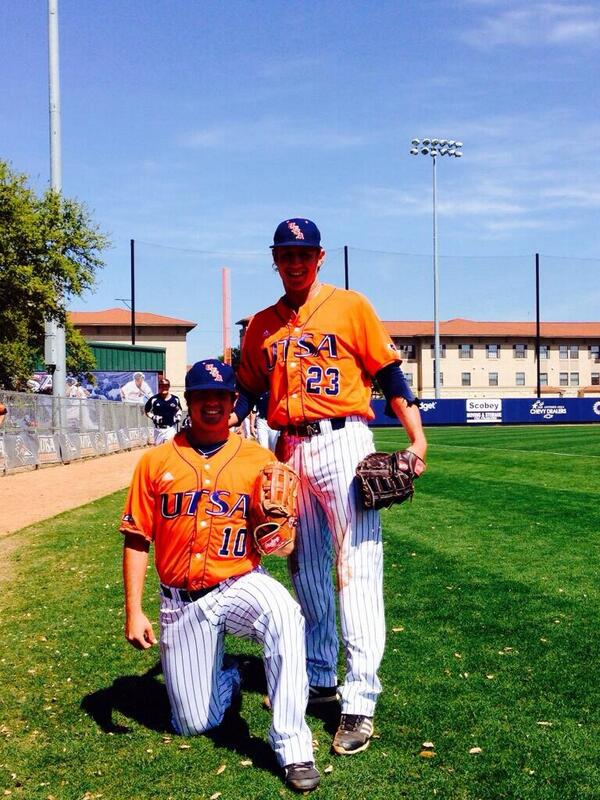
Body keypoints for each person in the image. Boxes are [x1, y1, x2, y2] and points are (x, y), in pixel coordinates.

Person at [231, 218, 428, 756]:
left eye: (303, 253)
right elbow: (247, 388)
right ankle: (320, 678)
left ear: (319, 258)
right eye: (284, 254)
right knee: (307, 567)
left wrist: (417, 440)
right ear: (275, 259)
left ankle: (360, 698)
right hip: (287, 447)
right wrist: (232, 426)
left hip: (344, 441)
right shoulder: (260, 326)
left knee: (356, 568)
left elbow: (389, 374)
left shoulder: (350, 306)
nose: (294, 262)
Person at [121, 359, 320, 792]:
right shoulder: (155, 462)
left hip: (238, 583)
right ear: (188, 403)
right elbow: (136, 537)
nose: (211, 404)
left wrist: (280, 532)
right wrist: (133, 610)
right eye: (201, 397)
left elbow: (278, 539)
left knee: (285, 614)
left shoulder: (256, 458)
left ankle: (292, 746)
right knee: (194, 723)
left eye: (220, 397)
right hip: (181, 601)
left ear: (233, 403)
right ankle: (225, 675)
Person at [144, 377, 183, 445]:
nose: (164, 388)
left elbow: (179, 409)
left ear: (169, 387)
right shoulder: (154, 399)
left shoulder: (175, 399)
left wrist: (178, 416)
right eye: (162, 386)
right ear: (159, 387)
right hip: (158, 430)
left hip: (170, 429)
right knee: (159, 451)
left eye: (166, 386)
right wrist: (153, 416)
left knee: (168, 446)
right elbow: (147, 411)